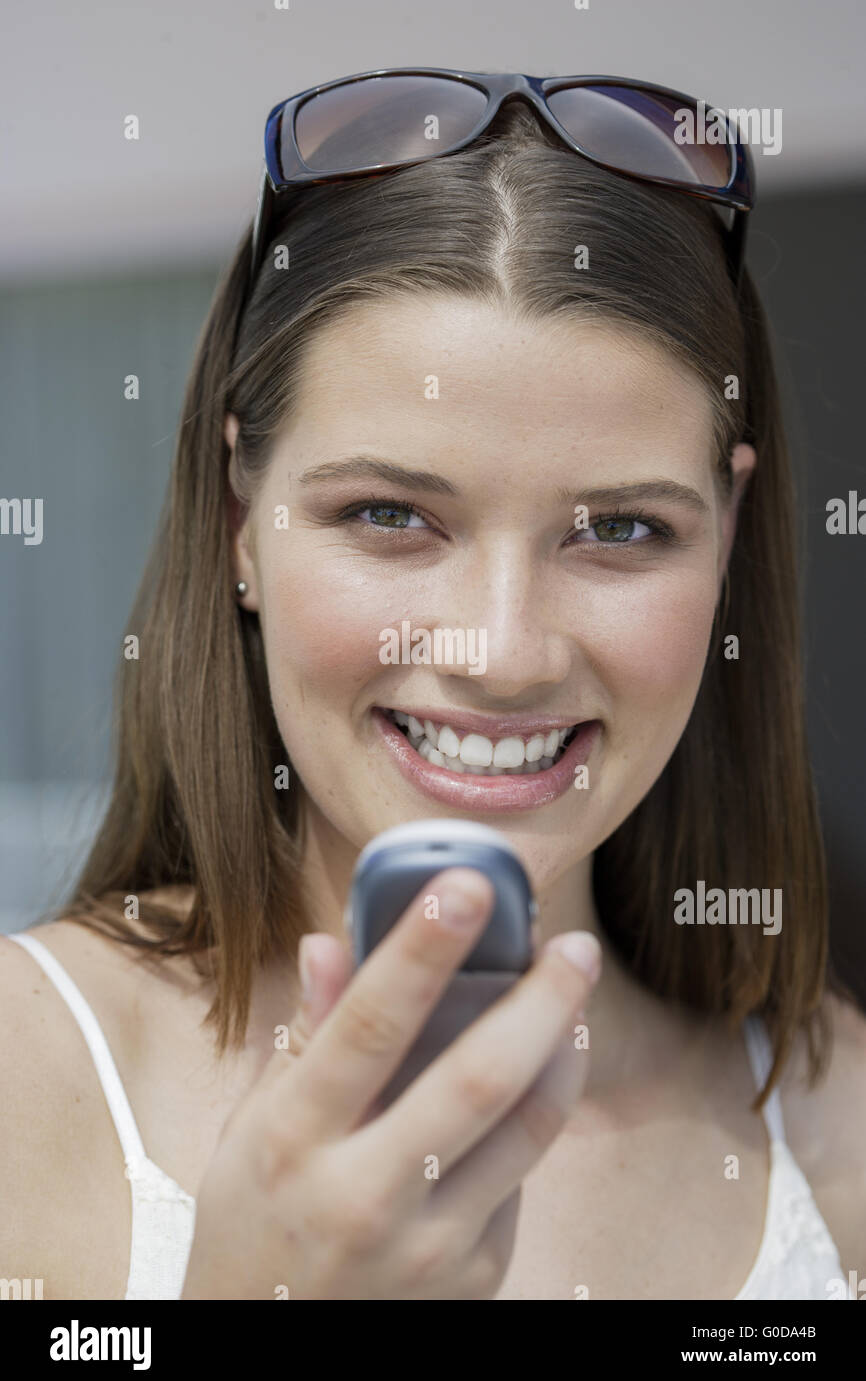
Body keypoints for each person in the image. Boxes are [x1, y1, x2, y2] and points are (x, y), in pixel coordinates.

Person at [2, 70, 864, 1301]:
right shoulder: (27, 1069)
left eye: (617, 530)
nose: (503, 652)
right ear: (242, 519)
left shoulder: (834, 1122)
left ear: (724, 535)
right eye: (391, 514)